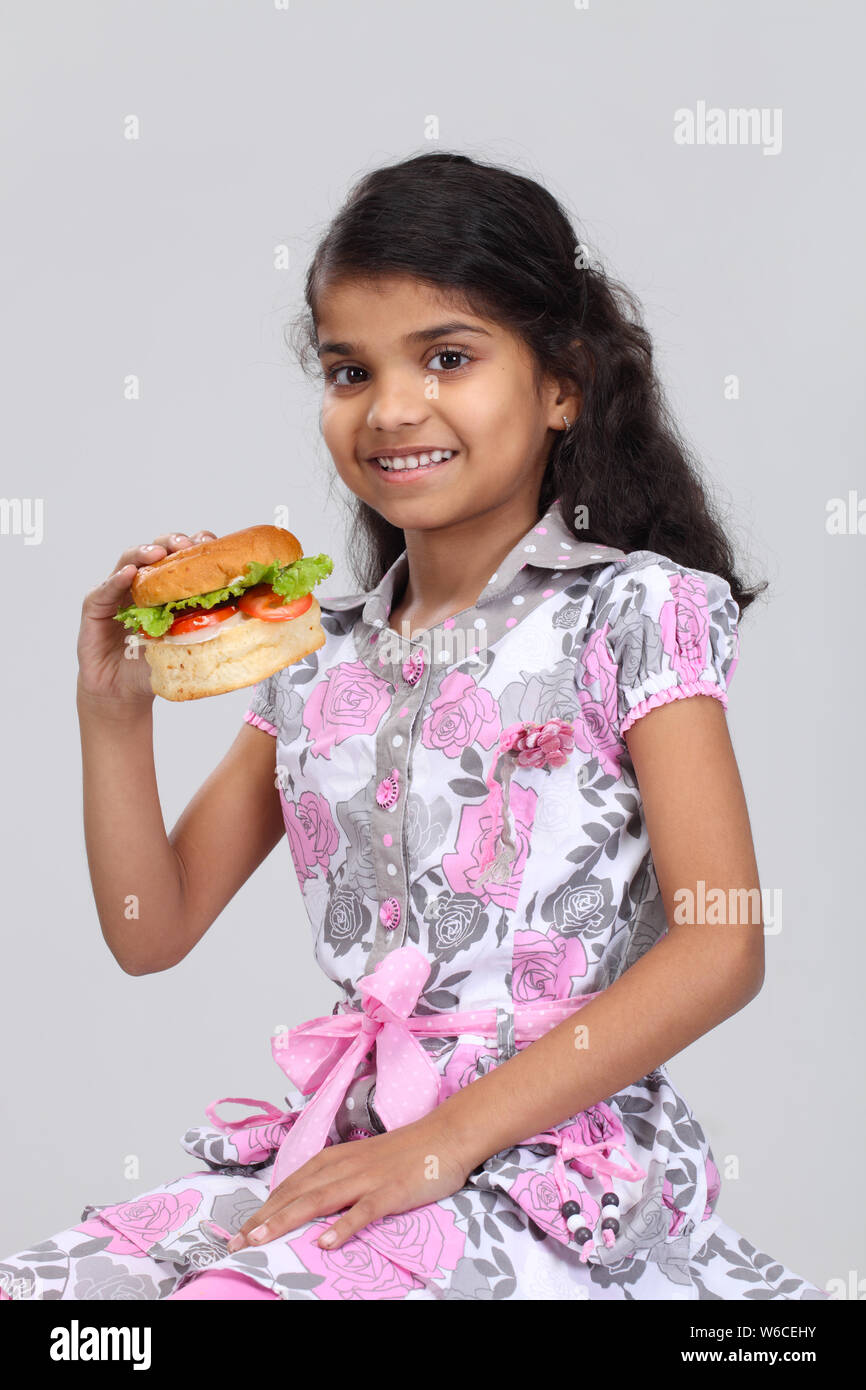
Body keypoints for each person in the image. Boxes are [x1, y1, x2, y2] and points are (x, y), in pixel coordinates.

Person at [0, 151, 828, 1301]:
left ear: (562, 386)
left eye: (447, 356)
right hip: (349, 1147)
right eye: (349, 370)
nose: (391, 408)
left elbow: (721, 942)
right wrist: (112, 717)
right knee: (55, 1299)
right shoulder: (316, 654)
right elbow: (153, 927)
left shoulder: (631, 611)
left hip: (546, 1162)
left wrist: (437, 1147)